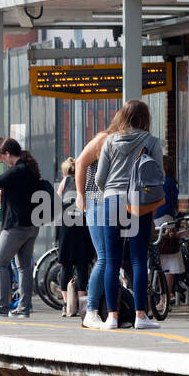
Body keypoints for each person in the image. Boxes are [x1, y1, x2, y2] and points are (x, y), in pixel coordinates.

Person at [94, 99, 163, 331]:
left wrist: (112, 192)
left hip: (112, 200)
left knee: (111, 260)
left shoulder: (110, 141)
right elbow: (159, 176)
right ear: (145, 118)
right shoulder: (152, 142)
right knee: (137, 259)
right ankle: (141, 316)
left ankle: (112, 317)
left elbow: (98, 179)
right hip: (138, 201)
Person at [0, 137, 42, 318]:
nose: (2, 160)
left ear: (7, 154)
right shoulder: (28, 169)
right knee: (23, 267)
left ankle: (1, 306)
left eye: (2, 156)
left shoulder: (18, 169)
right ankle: (23, 309)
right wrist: (5, 198)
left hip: (16, 226)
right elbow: (22, 195)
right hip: (31, 225)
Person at [74, 128, 110, 329]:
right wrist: (80, 194)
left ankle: (107, 310)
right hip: (97, 201)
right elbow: (80, 162)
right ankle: (91, 310)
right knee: (104, 257)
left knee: (109, 257)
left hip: (109, 203)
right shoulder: (103, 139)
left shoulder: (115, 141)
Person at [57, 157, 95, 318]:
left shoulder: (64, 182)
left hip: (66, 226)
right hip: (83, 226)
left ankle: (67, 305)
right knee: (82, 266)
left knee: (66, 266)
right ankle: (82, 305)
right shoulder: (84, 180)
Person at [153, 154, 183, 301]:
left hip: (159, 219)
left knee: (162, 258)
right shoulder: (171, 182)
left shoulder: (162, 181)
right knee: (169, 259)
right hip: (168, 219)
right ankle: (165, 297)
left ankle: (162, 297)